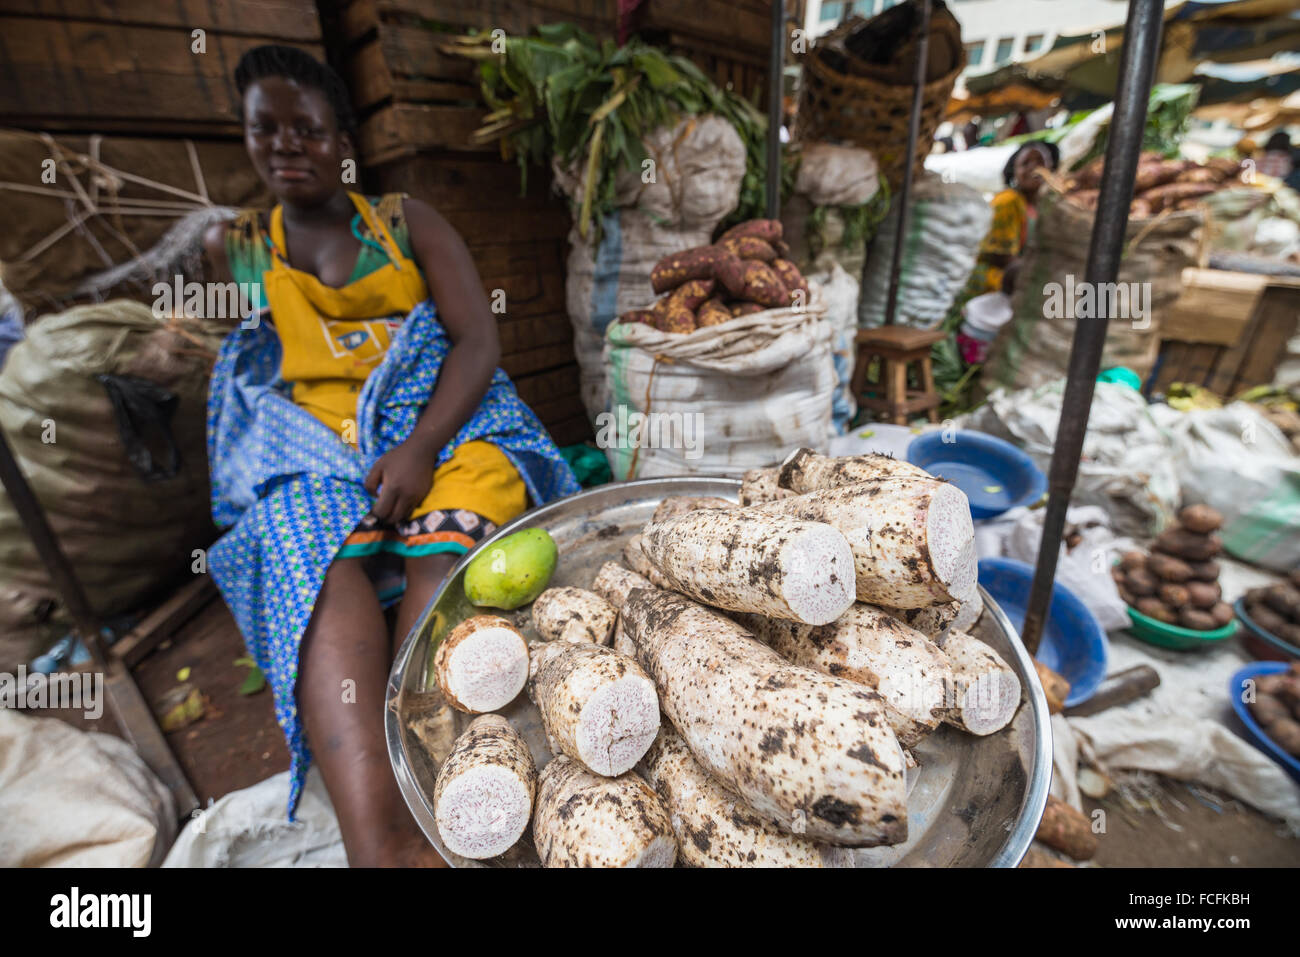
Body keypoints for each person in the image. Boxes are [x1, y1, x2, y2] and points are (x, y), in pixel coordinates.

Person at [202, 45, 579, 866]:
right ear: (246, 137)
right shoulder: (235, 249)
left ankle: (441, 781)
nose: (286, 145)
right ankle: (380, 842)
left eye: (307, 128)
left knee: (447, 540)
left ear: (343, 140)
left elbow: (476, 340)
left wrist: (416, 447)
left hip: (442, 419)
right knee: (307, 552)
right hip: (320, 444)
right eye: (265, 129)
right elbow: (242, 374)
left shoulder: (408, 223)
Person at [964, 140, 1059, 299]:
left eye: (1040, 162)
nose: (1033, 168)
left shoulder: (1041, 207)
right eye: (1025, 163)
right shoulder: (1008, 201)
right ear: (1014, 171)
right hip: (991, 287)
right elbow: (1002, 258)